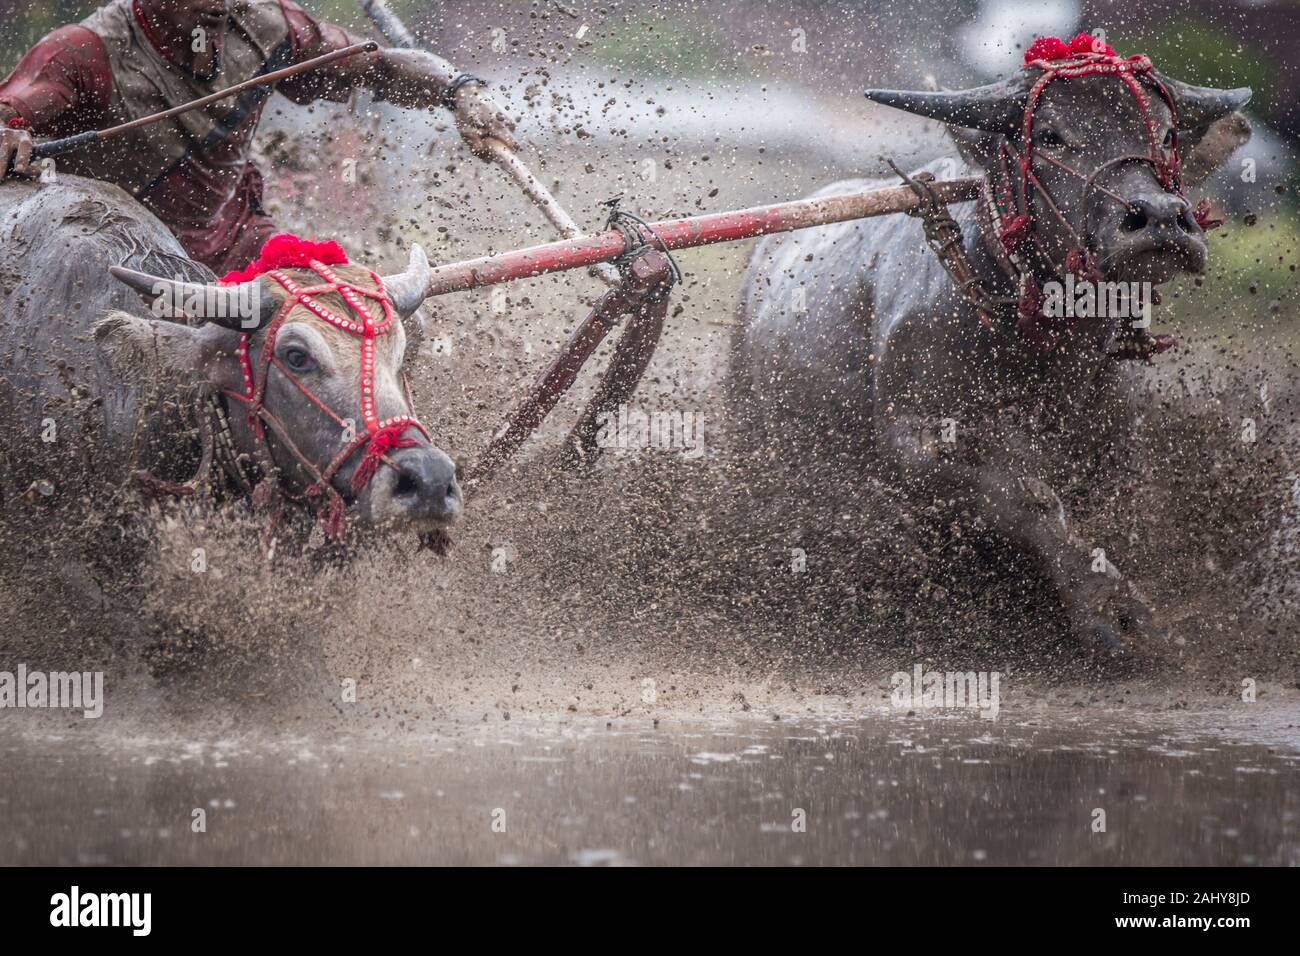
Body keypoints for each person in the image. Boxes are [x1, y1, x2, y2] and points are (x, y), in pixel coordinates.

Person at [0, 0, 517, 272]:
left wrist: (461, 90)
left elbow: (376, 66)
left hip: (241, 251)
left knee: (371, 322)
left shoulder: (268, 25)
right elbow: (8, 115)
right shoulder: (82, 51)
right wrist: (9, 136)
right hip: (118, 266)